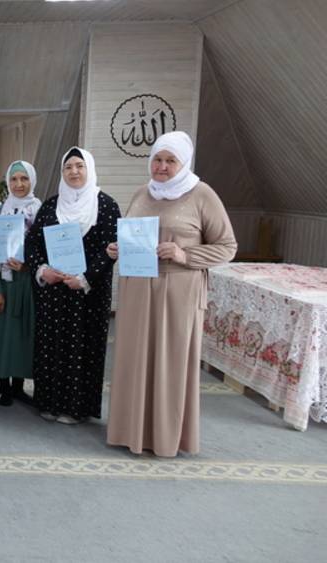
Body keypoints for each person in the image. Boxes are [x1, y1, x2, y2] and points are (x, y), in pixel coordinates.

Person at [106, 132, 237, 456]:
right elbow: (134, 236)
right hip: (137, 288)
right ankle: (130, 431)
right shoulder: (142, 193)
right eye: (157, 159)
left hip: (177, 290)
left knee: (170, 361)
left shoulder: (202, 194)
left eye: (170, 160)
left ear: (184, 162)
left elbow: (227, 247)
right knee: (134, 359)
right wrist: (117, 249)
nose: (162, 167)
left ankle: (165, 437)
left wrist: (184, 254)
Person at [26, 147, 120, 425]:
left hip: (89, 293)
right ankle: (49, 402)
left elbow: (111, 249)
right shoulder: (50, 206)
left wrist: (85, 278)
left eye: (79, 166)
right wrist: (43, 270)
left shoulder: (106, 205)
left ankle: (77, 408)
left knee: (84, 346)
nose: (74, 171)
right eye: (68, 167)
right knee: (51, 346)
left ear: (89, 169)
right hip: (54, 292)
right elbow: (32, 243)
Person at [0, 161, 42, 407]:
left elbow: (46, 250)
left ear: (32, 180)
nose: (19, 184)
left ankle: (18, 387)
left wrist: (29, 266)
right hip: (2, 284)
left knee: (21, 336)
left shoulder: (41, 211)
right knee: (1, 335)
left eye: (24, 179)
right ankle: (3, 387)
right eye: (14, 179)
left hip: (27, 283)